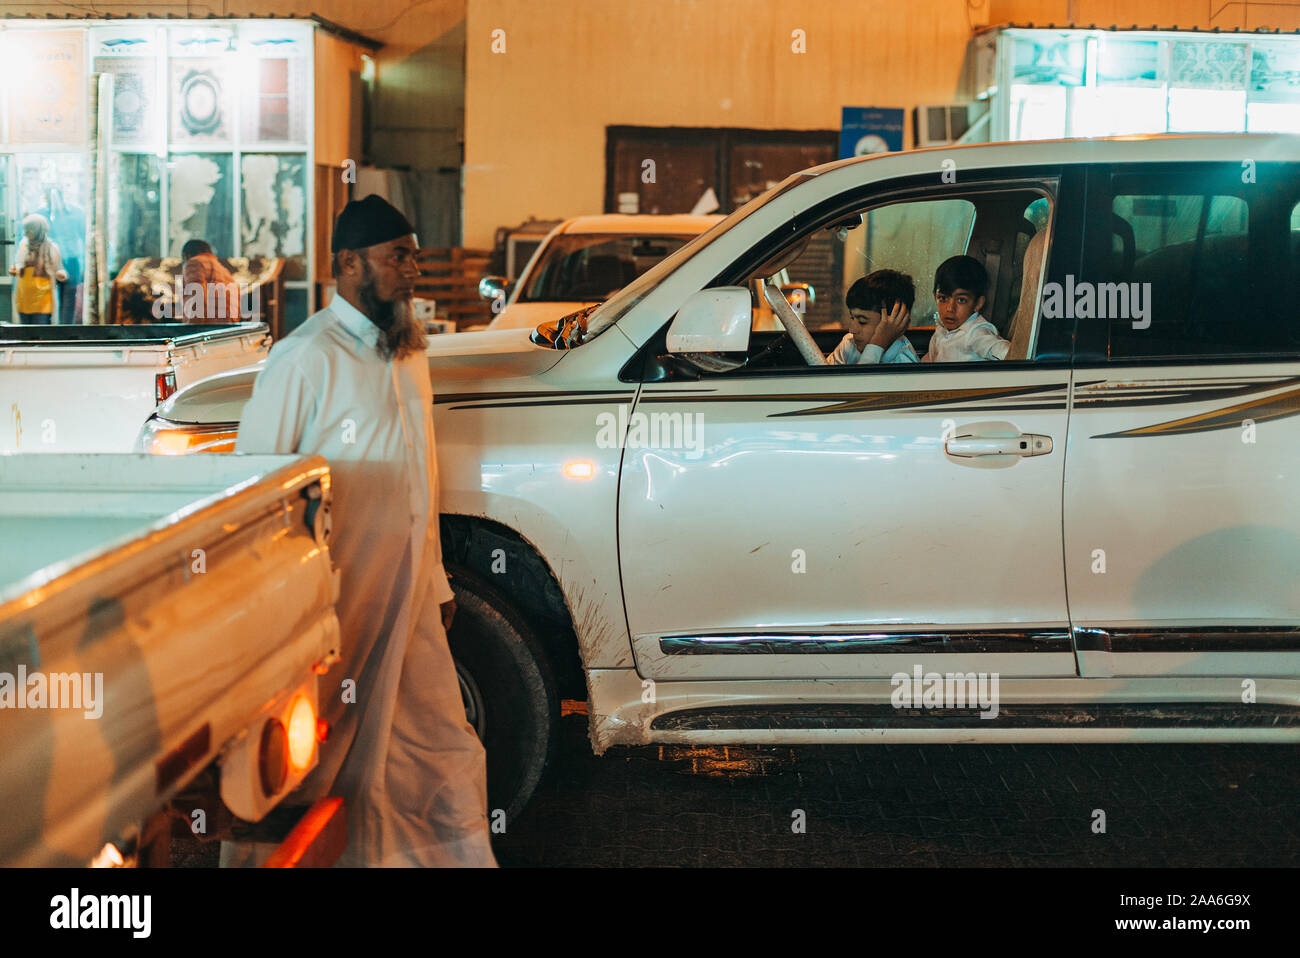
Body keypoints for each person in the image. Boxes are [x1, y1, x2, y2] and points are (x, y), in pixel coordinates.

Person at [229, 195, 496, 867]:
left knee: (440, 743)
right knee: (314, 755)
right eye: (397, 257)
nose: (413, 270)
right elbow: (255, 489)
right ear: (349, 265)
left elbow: (418, 479)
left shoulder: (408, 350)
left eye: (415, 256)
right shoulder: (304, 357)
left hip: (409, 600)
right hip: (333, 604)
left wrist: (433, 581)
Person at [922, 255, 1010, 362]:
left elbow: (1009, 353)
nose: (950, 308)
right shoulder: (941, 330)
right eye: (943, 298)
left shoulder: (976, 333)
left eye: (961, 300)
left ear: (978, 303)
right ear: (935, 297)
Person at [827, 270, 920, 365]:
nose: (852, 330)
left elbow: (862, 380)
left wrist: (876, 345)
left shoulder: (904, 361)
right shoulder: (850, 344)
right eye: (852, 318)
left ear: (895, 321)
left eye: (862, 321)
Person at [9, 214, 66, 324]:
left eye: (29, 230)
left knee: (40, 331)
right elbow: (18, 264)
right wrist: (14, 270)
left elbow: (58, 269)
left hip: (43, 298)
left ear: (38, 231)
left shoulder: (51, 247)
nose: (26, 233)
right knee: (25, 333)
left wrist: (60, 274)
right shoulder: (24, 245)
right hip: (24, 296)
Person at [180, 239, 241, 323]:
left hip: (207, 329)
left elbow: (197, 300)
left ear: (185, 256)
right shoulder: (225, 272)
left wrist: (192, 330)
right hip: (228, 330)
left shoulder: (194, 262)